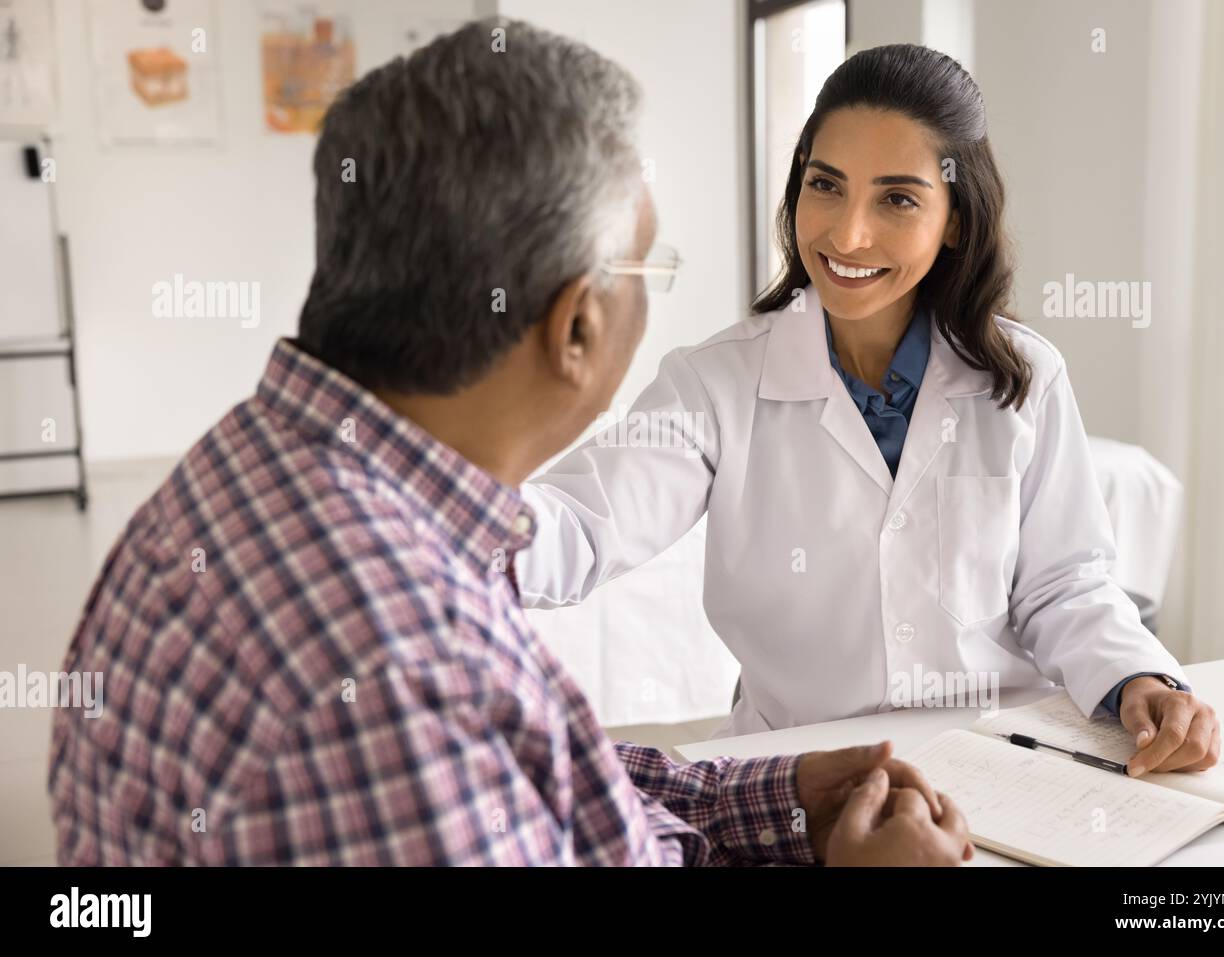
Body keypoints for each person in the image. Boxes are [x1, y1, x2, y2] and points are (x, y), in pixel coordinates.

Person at [47, 20, 971, 867]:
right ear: (576, 329)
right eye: (648, 268)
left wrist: (765, 801)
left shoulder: (268, 464)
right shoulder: (397, 672)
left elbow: (522, 764)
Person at [517, 44, 1221, 778]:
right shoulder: (715, 382)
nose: (847, 234)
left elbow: (1064, 582)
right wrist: (434, 536)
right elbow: (583, 523)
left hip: (1006, 759)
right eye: (826, 185)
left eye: (897, 198)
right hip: (803, 773)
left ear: (955, 218)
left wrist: (1140, 677)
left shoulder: (1026, 376)